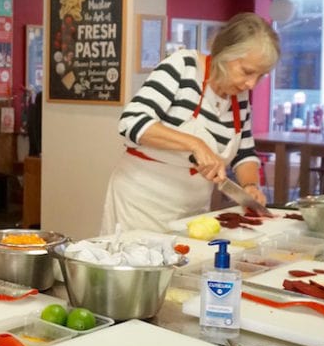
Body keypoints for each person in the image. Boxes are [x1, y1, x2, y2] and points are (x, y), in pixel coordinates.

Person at [101, 12, 279, 233]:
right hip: (141, 205)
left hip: (192, 211)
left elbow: (244, 154)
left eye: (261, 76)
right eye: (247, 72)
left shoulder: (239, 98)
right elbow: (132, 122)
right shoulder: (184, 67)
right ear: (225, 54)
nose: (252, 84)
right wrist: (195, 144)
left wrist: (250, 185)